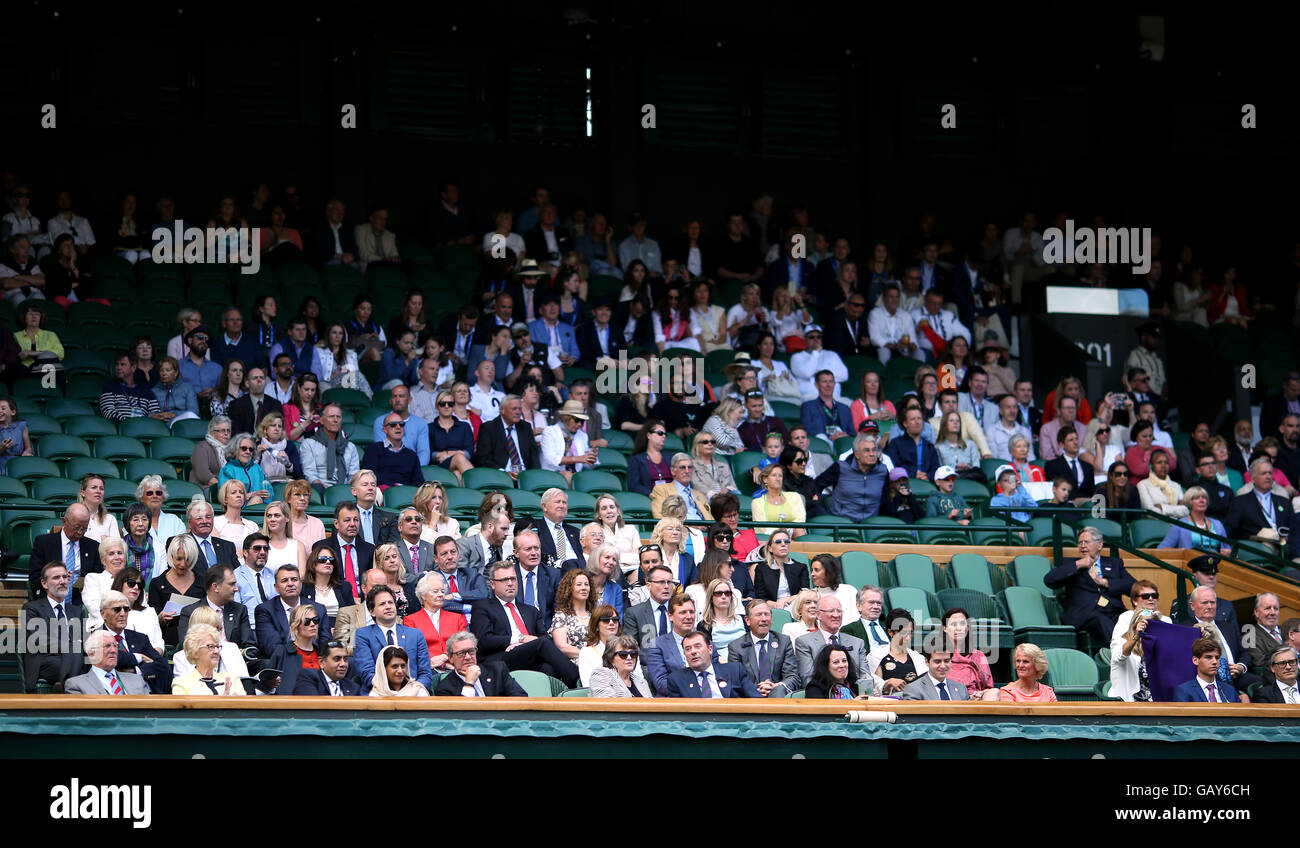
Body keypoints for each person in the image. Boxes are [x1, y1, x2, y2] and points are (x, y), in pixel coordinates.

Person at [1042, 525, 1135, 644]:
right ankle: (1122, 654)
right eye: (1080, 543)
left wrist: (1105, 582)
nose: (1082, 546)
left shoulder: (1114, 563)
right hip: (1085, 614)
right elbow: (1049, 580)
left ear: (1100, 545)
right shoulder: (1070, 563)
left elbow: (1133, 587)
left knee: (1132, 620)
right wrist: (1078, 564)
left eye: (1086, 542)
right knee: (1102, 621)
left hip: (1113, 610)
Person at [352, 584, 433, 694]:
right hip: (378, 695)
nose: (388, 606)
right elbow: (367, 673)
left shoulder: (415, 634)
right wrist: (392, 692)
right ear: (372, 611)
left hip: (414, 694)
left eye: (390, 602)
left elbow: (425, 673)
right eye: (382, 604)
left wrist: (412, 691)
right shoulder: (364, 635)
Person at [20, 563, 84, 692]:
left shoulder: (77, 611)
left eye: (65, 577)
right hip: (46, 659)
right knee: (73, 655)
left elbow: (84, 639)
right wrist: (71, 646)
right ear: (44, 584)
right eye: (56, 578)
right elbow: (38, 639)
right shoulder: (32, 608)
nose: (62, 581)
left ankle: (61, 685)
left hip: (73, 658)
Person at [1109, 580, 1172, 702]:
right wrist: (1136, 636)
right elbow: (1118, 656)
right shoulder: (1126, 618)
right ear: (1134, 600)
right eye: (1145, 596)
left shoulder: (1166, 620)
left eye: (1154, 596)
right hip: (1129, 698)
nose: (1151, 599)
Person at [792, 593, 868, 691]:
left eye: (839, 611)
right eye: (831, 611)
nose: (836, 615)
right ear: (819, 615)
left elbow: (866, 678)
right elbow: (808, 679)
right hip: (822, 697)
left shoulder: (857, 643)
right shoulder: (805, 642)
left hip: (855, 697)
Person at [812, 432, 890, 522]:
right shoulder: (840, 468)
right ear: (856, 454)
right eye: (866, 450)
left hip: (870, 525)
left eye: (874, 450)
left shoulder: (882, 471)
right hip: (841, 524)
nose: (872, 454)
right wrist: (818, 508)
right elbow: (816, 485)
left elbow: (886, 498)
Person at [665, 630, 761, 698]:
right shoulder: (676, 680)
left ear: (710, 649)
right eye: (688, 649)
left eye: (697, 646)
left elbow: (756, 700)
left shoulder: (735, 670)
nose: (693, 652)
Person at [432, 631, 529, 697]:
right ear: (450, 658)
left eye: (471, 651)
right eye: (461, 653)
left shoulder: (497, 670)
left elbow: (521, 697)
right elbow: (459, 717)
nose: (468, 657)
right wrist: (469, 684)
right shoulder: (444, 688)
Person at [63, 630, 150, 696]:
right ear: (91, 653)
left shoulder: (137, 680)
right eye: (107, 646)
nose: (113, 650)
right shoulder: (76, 685)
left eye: (116, 646)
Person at [171, 624, 244, 696]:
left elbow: (245, 705)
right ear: (195, 652)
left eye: (217, 646)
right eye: (211, 646)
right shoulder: (181, 684)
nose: (216, 651)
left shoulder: (233, 679)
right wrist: (222, 703)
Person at [865, 609, 927, 695]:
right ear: (890, 632)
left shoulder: (918, 658)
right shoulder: (876, 656)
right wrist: (887, 683)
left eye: (910, 633)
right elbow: (874, 688)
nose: (908, 638)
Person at [218, 433, 272, 505]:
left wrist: (265, 497)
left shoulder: (257, 469)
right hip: (237, 509)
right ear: (235, 449)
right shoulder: (227, 470)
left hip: (260, 507)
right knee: (256, 499)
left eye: (251, 449)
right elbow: (225, 497)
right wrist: (250, 495)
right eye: (244, 448)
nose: (248, 452)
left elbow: (269, 491)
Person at [840, 585, 890, 651]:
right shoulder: (849, 630)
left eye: (879, 603)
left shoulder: (890, 625)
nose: (876, 607)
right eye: (871, 602)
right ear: (859, 606)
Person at [1242, 593, 1284, 668]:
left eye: (1276, 608)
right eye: (1267, 608)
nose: (1272, 612)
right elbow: (1260, 664)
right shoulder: (1249, 638)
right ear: (1256, 612)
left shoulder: (1287, 630)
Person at [255, 414, 300, 484]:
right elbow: (249, 473)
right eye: (273, 425)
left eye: (279, 426)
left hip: (285, 485)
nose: (277, 429)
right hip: (262, 485)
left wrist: (288, 464)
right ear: (265, 429)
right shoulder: (257, 445)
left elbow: (298, 475)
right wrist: (257, 456)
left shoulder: (289, 446)